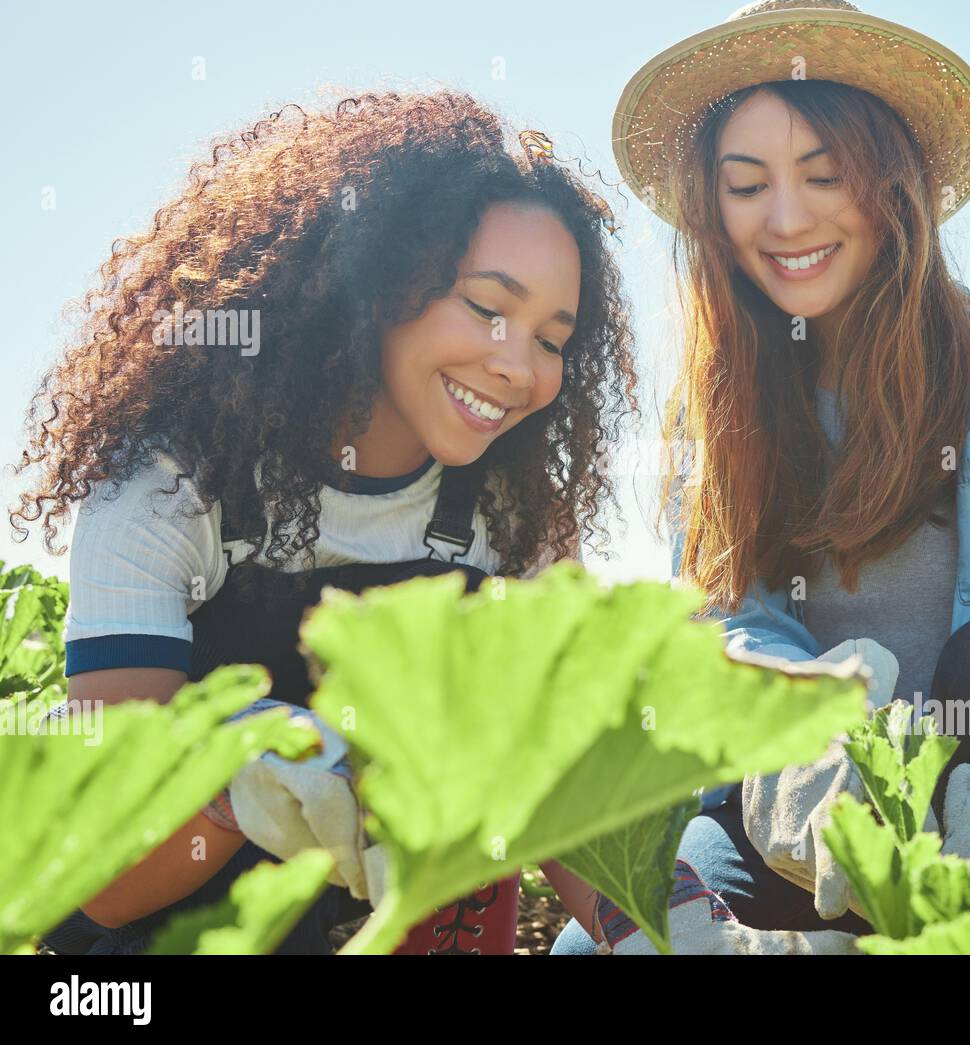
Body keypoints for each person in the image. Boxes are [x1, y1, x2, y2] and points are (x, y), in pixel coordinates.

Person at [551, 0, 970, 953]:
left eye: (823, 175)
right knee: (612, 946)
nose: (786, 219)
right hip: (808, 793)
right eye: (746, 186)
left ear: (890, 182)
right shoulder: (714, 409)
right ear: (713, 209)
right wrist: (819, 771)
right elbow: (733, 624)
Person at [14, 89, 641, 954]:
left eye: (552, 338)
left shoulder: (512, 513)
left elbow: (578, 777)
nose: (516, 366)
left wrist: (657, 917)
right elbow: (108, 883)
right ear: (380, 282)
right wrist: (229, 788)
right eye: (488, 306)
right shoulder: (169, 486)